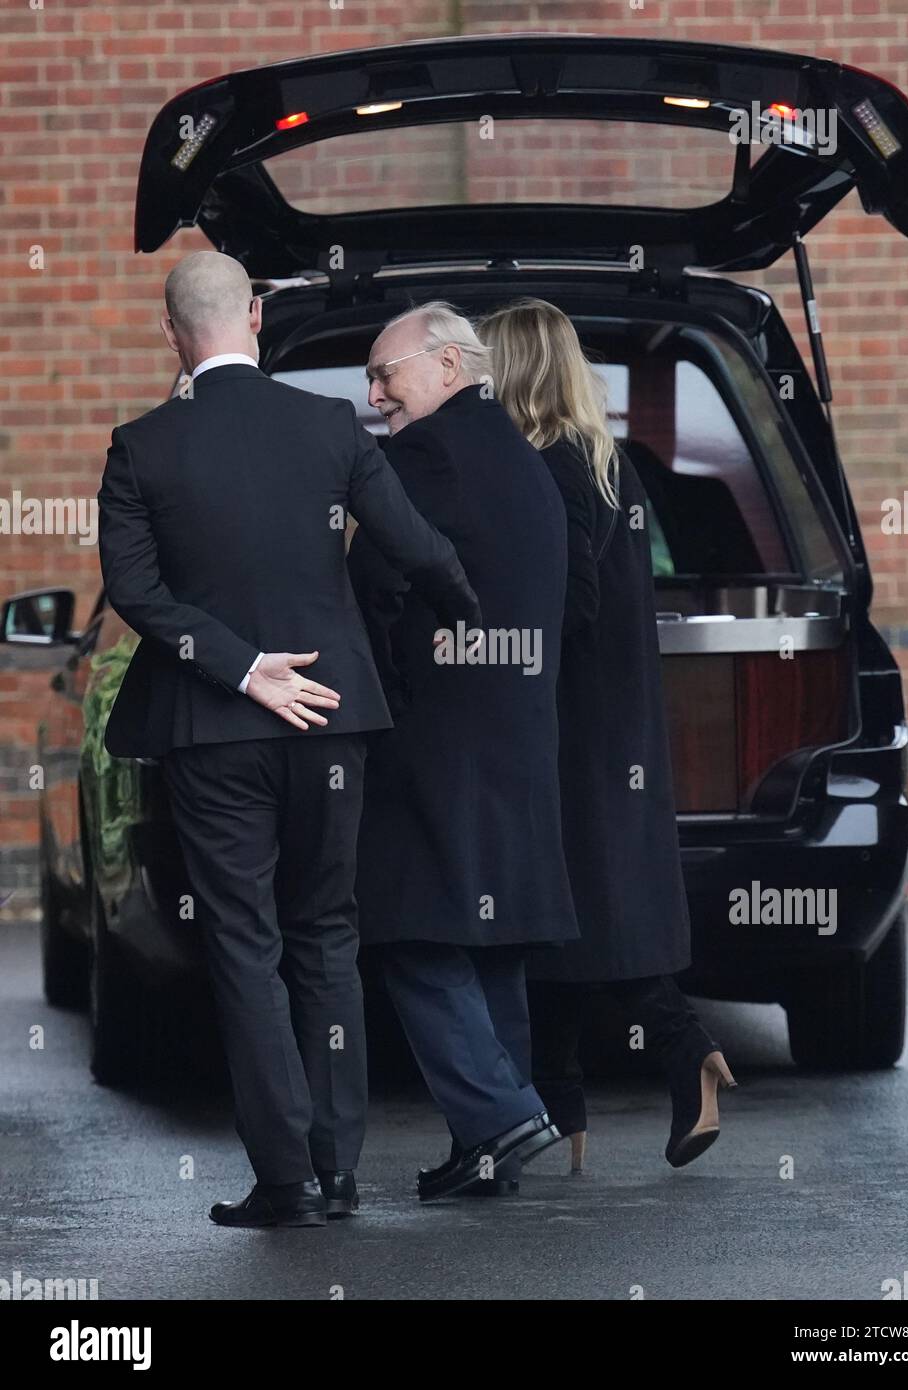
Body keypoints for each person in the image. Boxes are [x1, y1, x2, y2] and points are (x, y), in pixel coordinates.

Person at [97, 252, 481, 1228]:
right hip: (332, 721)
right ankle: (339, 1167)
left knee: (245, 945)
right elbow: (413, 545)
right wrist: (468, 607)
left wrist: (237, 664)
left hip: (214, 726)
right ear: (258, 317)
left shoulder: (141, 446)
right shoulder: (327, 426)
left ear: (170, 332)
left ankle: (286, 1180)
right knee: (326, 937)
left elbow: (140, 597)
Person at [478, 298, 736, 1173]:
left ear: (513, 370)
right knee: (559, 919)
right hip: (613, 720)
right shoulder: (605, 460)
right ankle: (566, 1114)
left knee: (576, 917)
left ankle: (681, 1046)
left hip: (568, 723)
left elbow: (572, 600)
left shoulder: (544, 463)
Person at [347, 302, 577, 1201]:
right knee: (492, 940)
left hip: (437, 734)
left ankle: (495, 1115)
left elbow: (373, 586)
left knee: (405, 926)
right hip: (516, 730)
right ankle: (490, 1150)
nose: (374, 396)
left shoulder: (423, 455)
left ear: (446, 366)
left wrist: (379, 699)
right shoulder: (524, 457)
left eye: (385, 375)